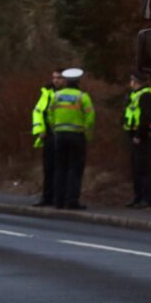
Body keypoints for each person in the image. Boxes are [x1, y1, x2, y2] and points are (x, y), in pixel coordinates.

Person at [50, 68, 95, 210]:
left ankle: (58, 201)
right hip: (76, 136)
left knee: (60, 168)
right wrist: (87, 133)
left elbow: (49, 115)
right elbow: (90, 118)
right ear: (78, 81)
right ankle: (72, 201)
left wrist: (55, 129)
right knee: (75, 169)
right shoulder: (83, 97)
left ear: (66, 81)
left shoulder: (56, 96)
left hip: (59, 135)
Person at [124, 72, 151, 208]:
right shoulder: (135, 95)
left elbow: (146, 117)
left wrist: (139, 135)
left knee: (143, 169)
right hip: (135, 135)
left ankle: (147, 198)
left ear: (137, 81)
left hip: (143, 137)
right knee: (136, 168)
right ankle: (138, 197)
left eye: (132, 81)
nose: (130, 83)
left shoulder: (147, 95)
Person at [31, 70, 63, 206]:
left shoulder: (67, 94)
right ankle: (47, 197)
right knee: (48, 168)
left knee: (60, 167)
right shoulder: (46, 93)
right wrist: (40, 130)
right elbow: (38, 112)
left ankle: (58, 197)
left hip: (62, 134)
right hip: (49, 135)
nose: (55, 80)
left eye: (59, 78)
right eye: (54, 77)